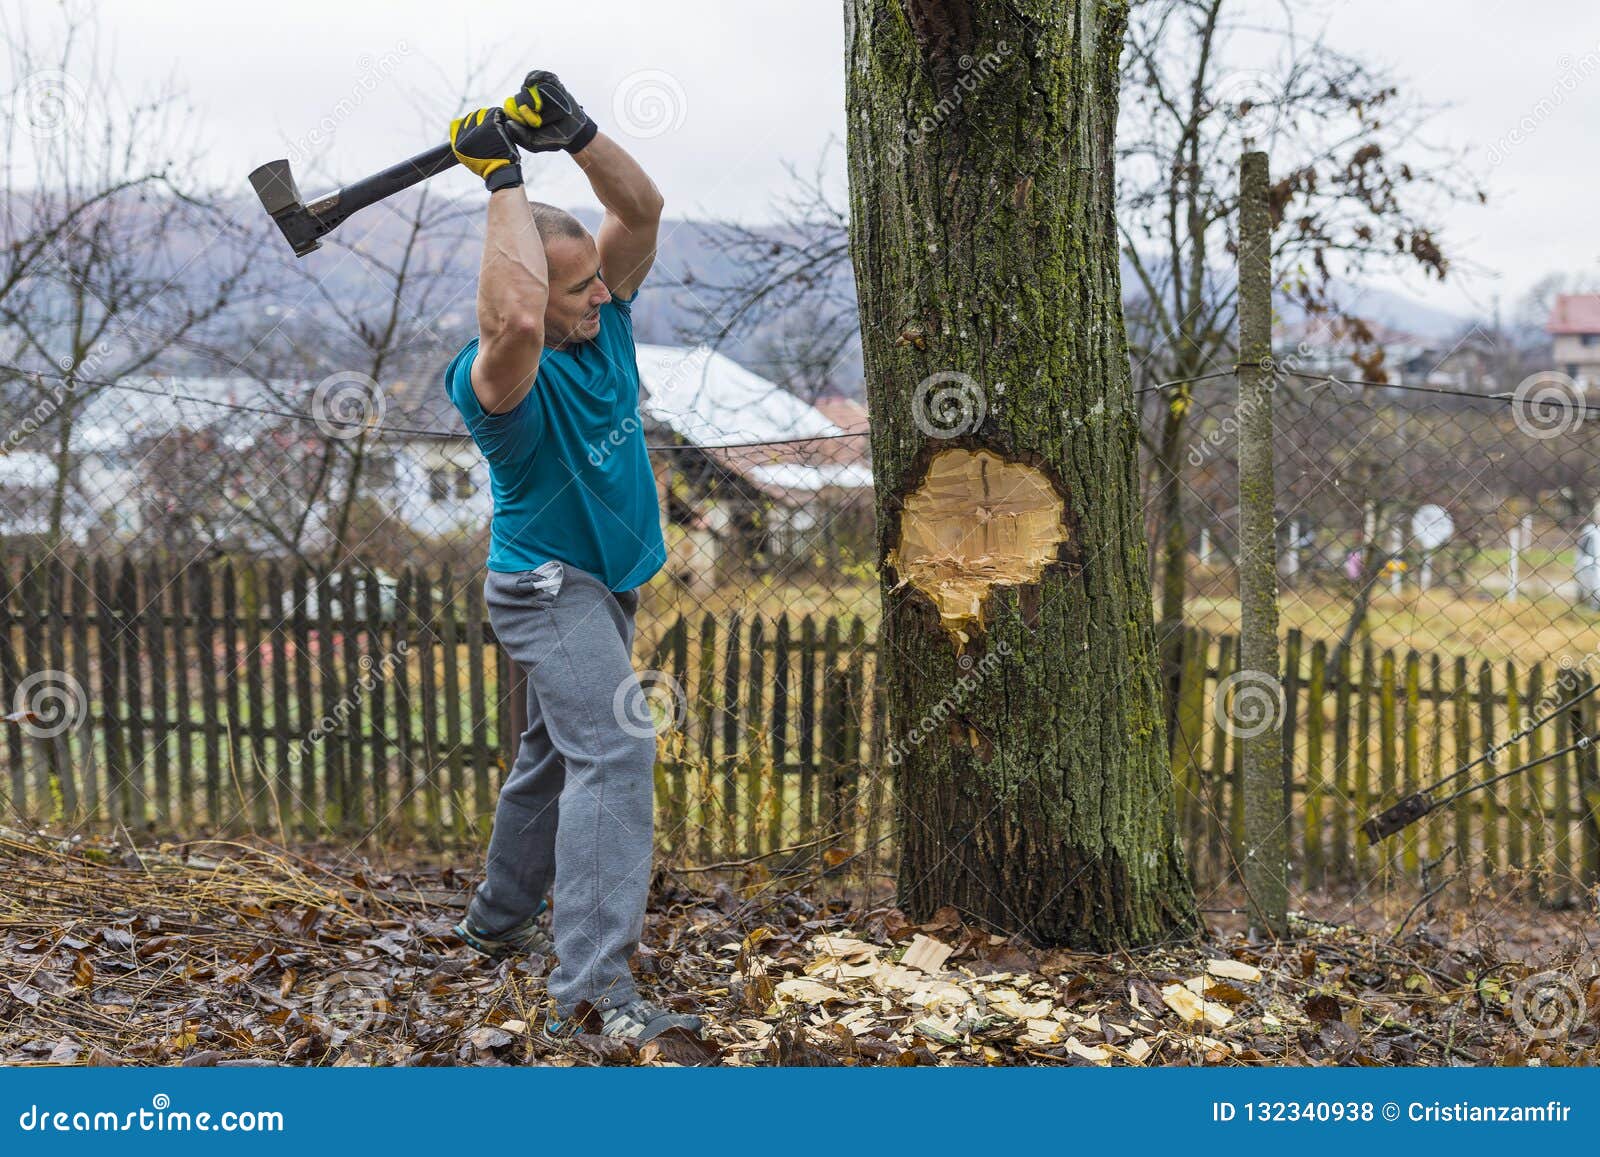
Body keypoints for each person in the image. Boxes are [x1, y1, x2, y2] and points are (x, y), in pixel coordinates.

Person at [442, 71, 701, 1044]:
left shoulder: (603, 314)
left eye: (600, 273)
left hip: (608, 584)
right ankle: (593, 996)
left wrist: (577, 135)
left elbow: (641, 208)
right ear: (533, 293)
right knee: (617, 743)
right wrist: (500, 183)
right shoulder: (500, 378)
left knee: (554, 756)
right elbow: (508, 318)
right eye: (579, 283)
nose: (605, 288)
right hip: (546, 588)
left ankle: (494, 922)